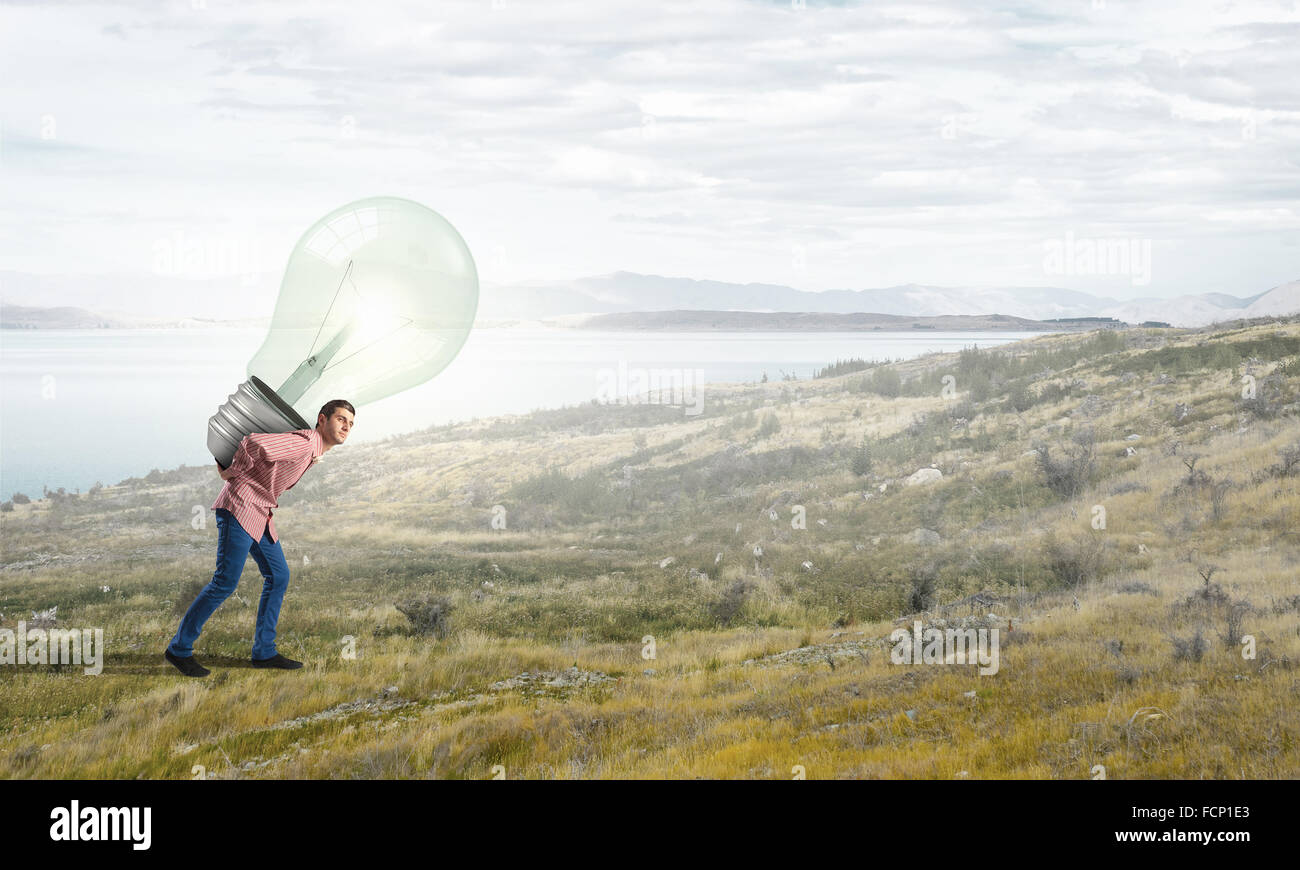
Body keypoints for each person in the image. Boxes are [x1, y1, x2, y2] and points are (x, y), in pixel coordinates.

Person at [164, 399, 355, 677]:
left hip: (259, 513)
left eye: (350, 423)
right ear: (322, 419)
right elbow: (254, 443)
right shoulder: (305, 443)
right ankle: (179, 650)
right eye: (341, 419)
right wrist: (233, 473)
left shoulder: (313, 451)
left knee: (278, 576)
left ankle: (264, 652)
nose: (346, 426)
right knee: (224, 583)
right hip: (240, 507)